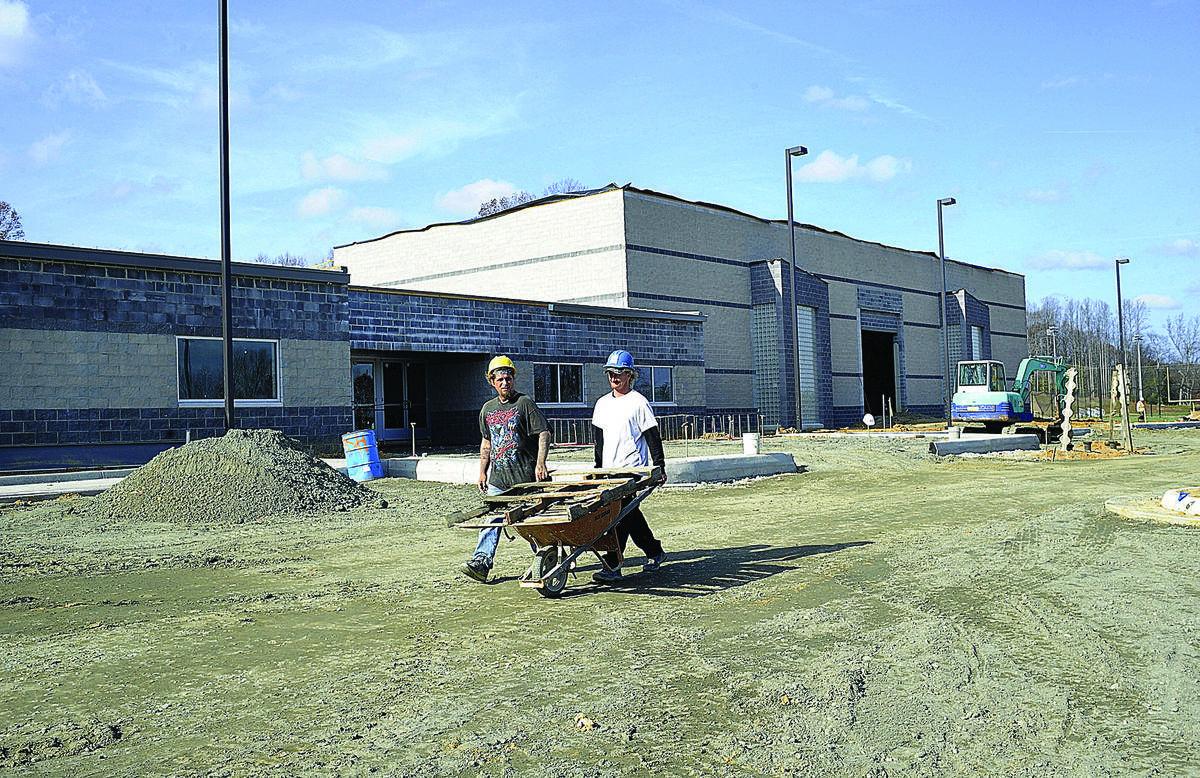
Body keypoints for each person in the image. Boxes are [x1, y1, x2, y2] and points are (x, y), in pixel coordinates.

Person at [461, 355, 551, 582]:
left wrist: (540, 463)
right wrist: (482, 470)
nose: (505, 383)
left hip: (525, 480)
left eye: (508, 378)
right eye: (499, 379)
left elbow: (544, 432)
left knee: (531, 525)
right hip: (498, 481)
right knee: (491, 520)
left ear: (513, 379)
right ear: (491, 381)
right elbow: (487, 442)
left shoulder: (524, 403)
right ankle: (481, 562)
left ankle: (548, 560)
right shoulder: (487, 409)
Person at [590, 349, 666, 583]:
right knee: (627, 514)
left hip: (632, 469)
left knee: (620, 515)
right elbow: (599, 441)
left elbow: (652, 436)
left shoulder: (639, 403)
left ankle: (613, 563)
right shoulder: (602, 404)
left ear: (630, 375)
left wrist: (659, 466)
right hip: (609, 470)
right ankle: (654, 551)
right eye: (611, 373)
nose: (615, 377)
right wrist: (598, 469)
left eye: (620, 373)